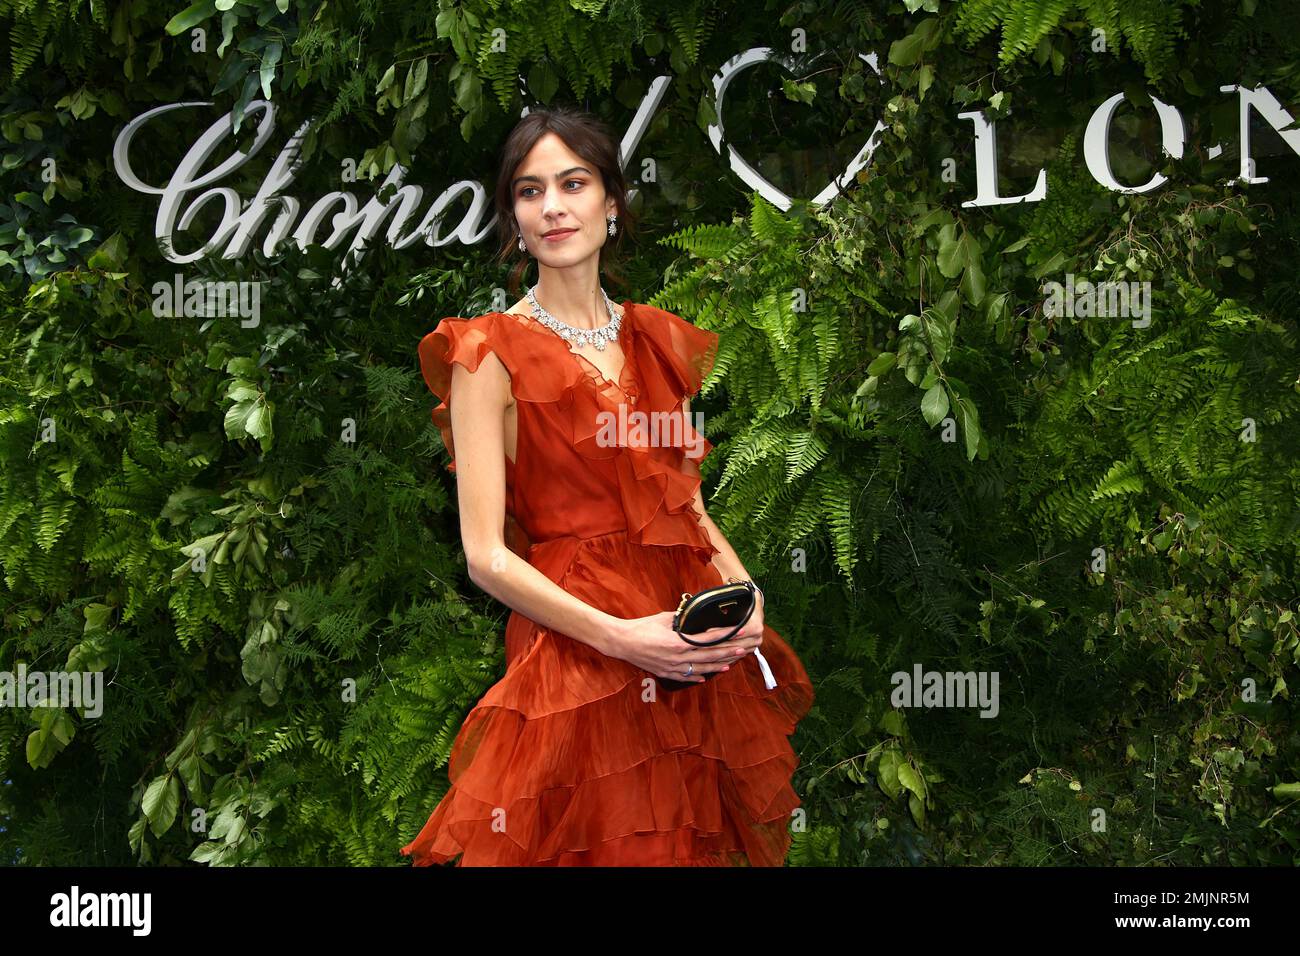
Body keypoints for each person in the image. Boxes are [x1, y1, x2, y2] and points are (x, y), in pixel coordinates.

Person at [400, 105, 814, 866]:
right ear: (512, 216)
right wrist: (624, 641)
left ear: (612, 203)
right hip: (577, 655)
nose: (552, 206)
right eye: (529, 191)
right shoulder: (485, 355)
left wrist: (745, 590)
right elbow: (484, 556)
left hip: (685, 647)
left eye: (573, 182)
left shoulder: (657, 341)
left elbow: (684, 505)